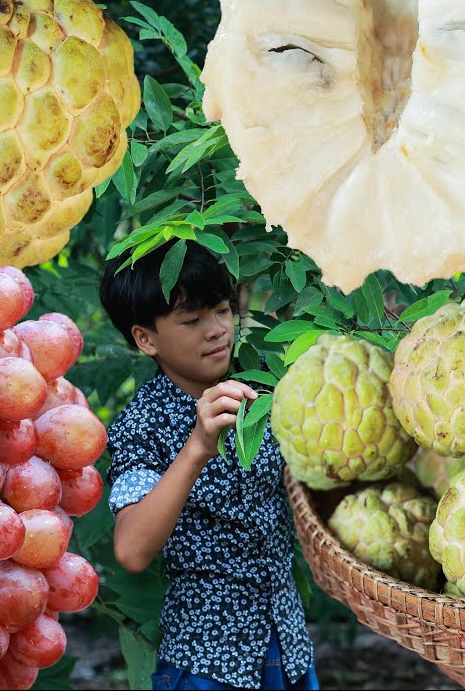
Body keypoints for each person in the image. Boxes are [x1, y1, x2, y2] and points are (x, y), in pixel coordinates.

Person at [99, 240, 318, 690]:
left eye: (221, 310)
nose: (217, 330)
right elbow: (131, 550)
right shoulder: (144, 424)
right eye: (192, 320)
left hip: (289, 646)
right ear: (145, 338)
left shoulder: (263, 385)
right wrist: (198, 447)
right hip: (206, 660)